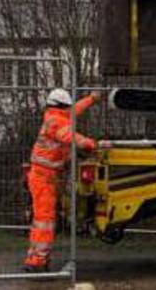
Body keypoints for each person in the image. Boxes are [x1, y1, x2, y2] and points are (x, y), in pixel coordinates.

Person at [23, 88, 102, 272]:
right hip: (43, 177)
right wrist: (92, 144)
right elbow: (71, 137)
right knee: (44, 220)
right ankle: (37, 261)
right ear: (61, 106)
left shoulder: (57, 116)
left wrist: (91, 98)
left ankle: (37, 257)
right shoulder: (57, 121)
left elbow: (75, 110)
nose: (70, 109)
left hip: (45, 176)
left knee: (43, 219)